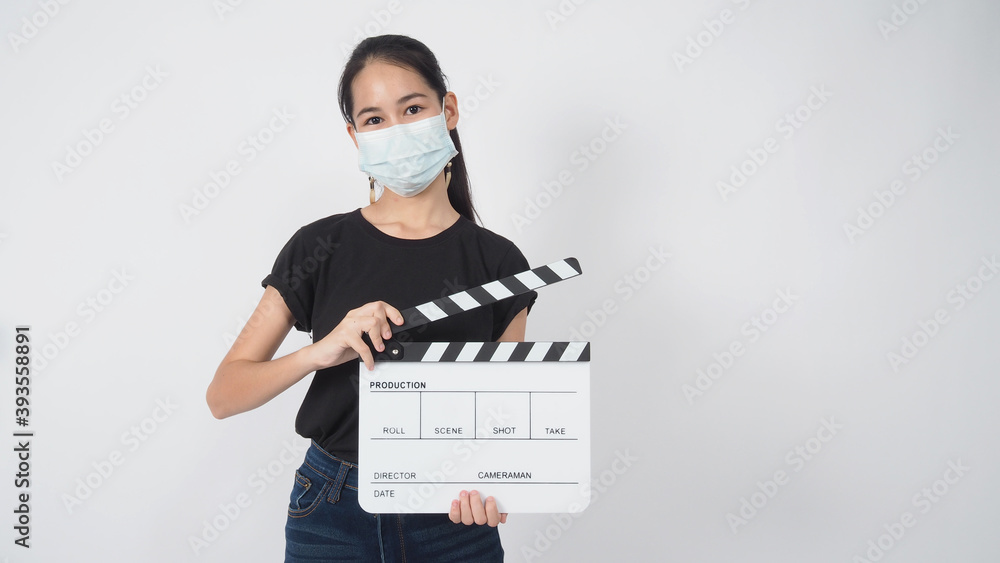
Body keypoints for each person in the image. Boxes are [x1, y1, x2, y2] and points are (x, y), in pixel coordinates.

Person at [206, 34, 537, 562]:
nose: (397, 129)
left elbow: (504, 412)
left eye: (413, 108)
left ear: (448, 110)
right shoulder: (318, 247)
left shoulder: (500, 263)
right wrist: (321, 351)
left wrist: (494, 483)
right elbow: (224, 395)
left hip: (450, 515)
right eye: (375, 118)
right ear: (355, 135)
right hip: (332, 508)